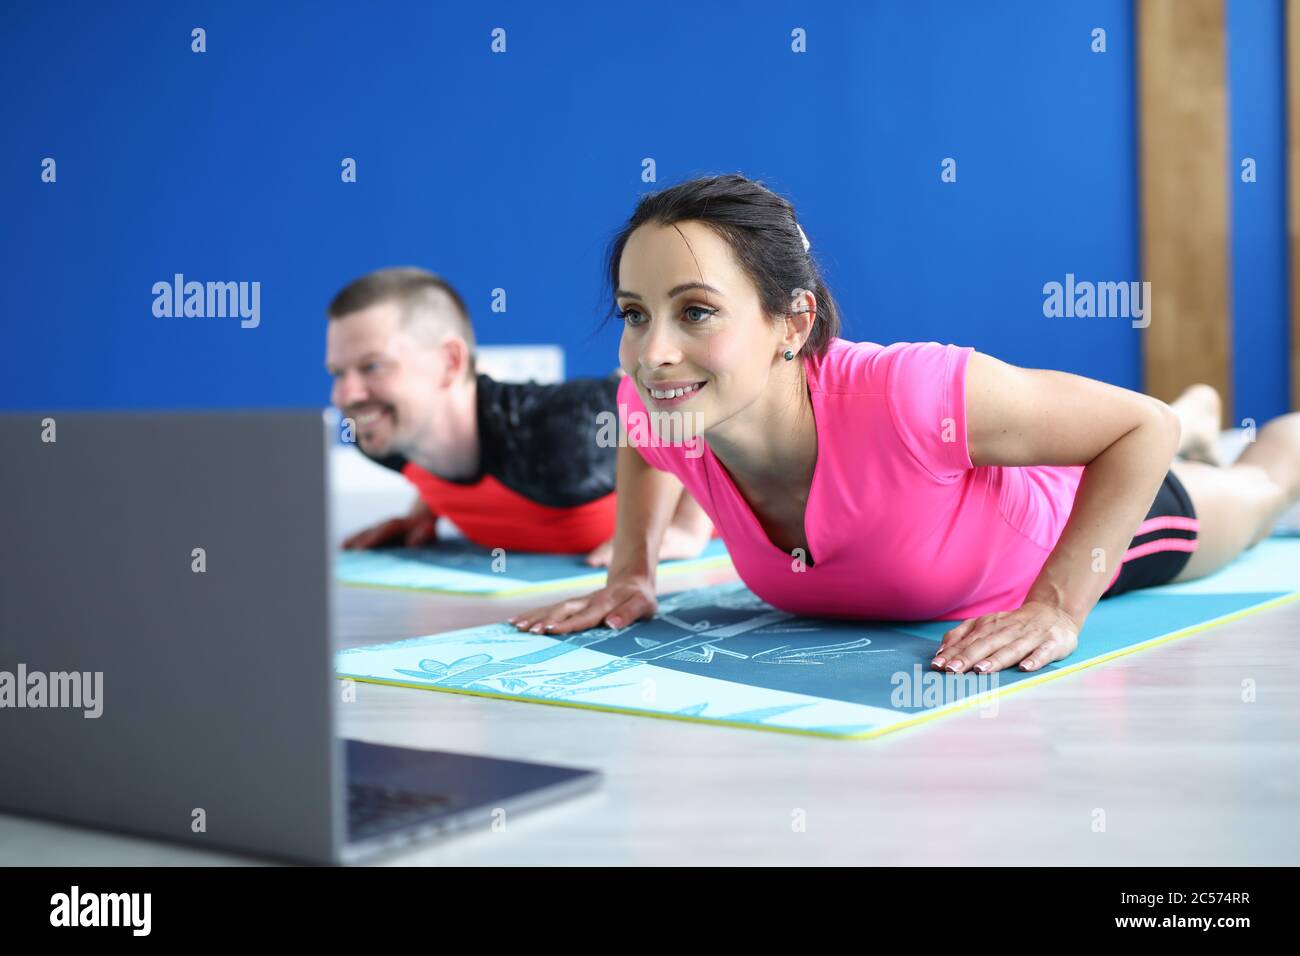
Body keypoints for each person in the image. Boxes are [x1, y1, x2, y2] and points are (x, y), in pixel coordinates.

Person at [509, 174, 1300, 674]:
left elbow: (1138, 428)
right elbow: (647, 451)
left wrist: (1057, 604)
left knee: (1261, 486)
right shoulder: (654, 406)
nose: (654, 352)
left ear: (792, 324)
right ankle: (1207, 413)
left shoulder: (909, 397)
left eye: (696, 312)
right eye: (634, 314)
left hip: (1099, 520)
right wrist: (631, 575)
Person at [325, 266, 712, 562]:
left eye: (373, 367)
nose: (345, 395)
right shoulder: (383, 437)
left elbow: (687, 403)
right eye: (339, 373)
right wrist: (423, 514)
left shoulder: (564, 436)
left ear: (449, 362)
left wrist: (686, 526)